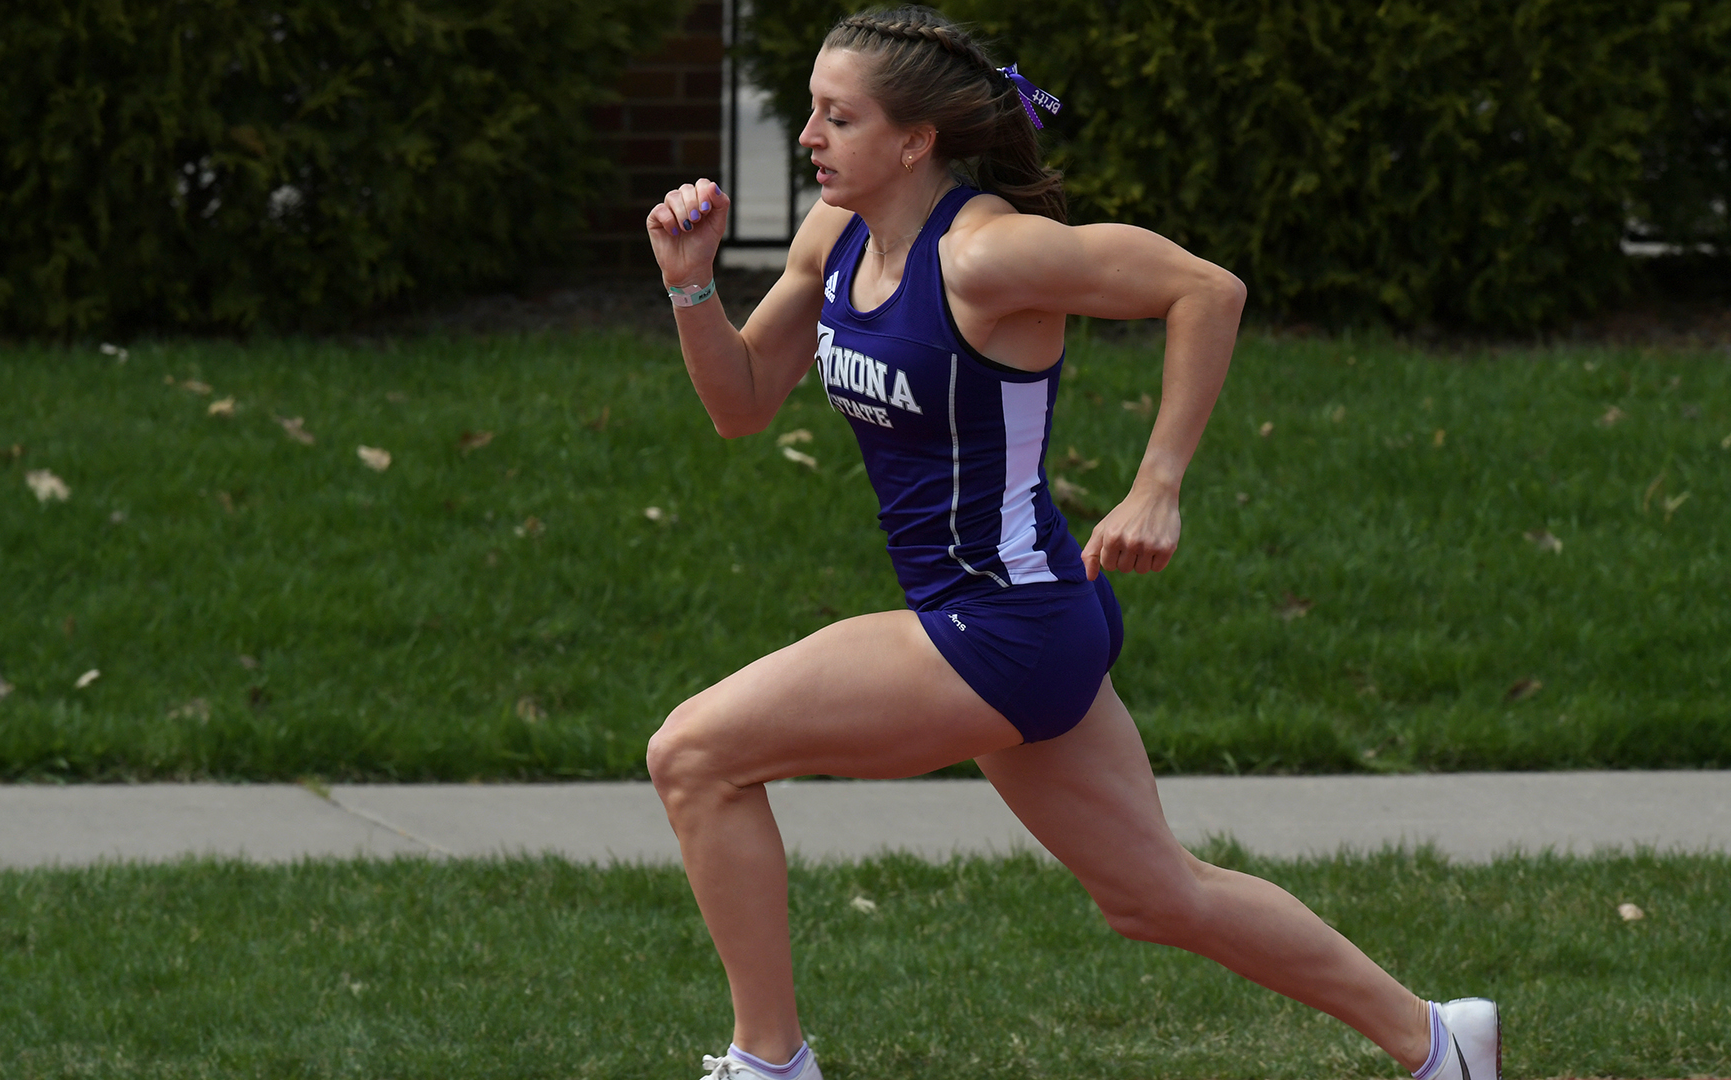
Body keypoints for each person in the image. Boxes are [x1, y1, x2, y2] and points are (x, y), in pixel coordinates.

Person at [642, 7, 1499, 1080]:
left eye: (836, 116)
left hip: (999, 625)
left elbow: (1206, 290)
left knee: (694, 755)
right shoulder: (838, 237)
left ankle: (768, 1064)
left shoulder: (992, 255)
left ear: (914, 141)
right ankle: (1441, 1040)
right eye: (812, 110)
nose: (809, 135)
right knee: (1155, 895)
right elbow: (742, 403)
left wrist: (1158, 486)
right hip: (1020, 617)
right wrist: (689, 281)